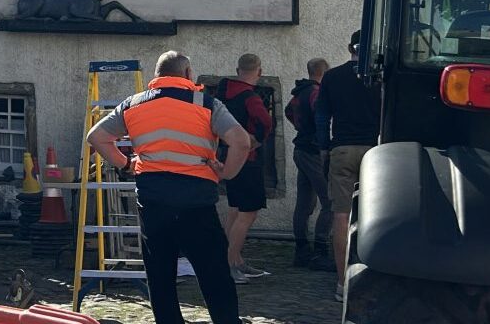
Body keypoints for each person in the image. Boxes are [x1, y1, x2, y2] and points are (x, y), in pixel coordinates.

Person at [87, 50, 251, 324]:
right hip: (196, 201)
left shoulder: (133, 104)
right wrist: (228, 173)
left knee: (160, 276)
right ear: (188, 74)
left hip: (154, 201)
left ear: (156, 77)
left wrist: (126, 164)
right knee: (214, 274)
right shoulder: (207, 103)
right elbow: (241, 141)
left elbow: (97, 137)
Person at [316, 33, 381, 302]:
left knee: (340, 215)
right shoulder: (379, 77)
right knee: (377, 216)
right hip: (376, 151)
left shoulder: (332, 77)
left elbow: (322, 116)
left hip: (342, 148)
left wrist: (324, 147)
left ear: (348, 49)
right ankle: (373, 277)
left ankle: (343, 283)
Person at [215, 53, 274, 283]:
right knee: (248, 212)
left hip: (227, 155)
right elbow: (265, 123)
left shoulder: (221, 94)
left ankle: (235, 259)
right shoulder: (250, 97)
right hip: (247, 159)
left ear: (237, 69)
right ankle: (229, 264)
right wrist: (256, 140)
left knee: (236, 209)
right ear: (259, 71)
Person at [286, 57, 335, 270]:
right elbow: (321, 114)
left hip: (302, 148)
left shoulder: (300, 91)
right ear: (325, 72)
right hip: (313, 151)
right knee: (330, 201)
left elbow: (289, 112)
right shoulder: (316, 92)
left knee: (305, 202)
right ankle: (321, 250)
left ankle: (302, 250)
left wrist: (301, 128)